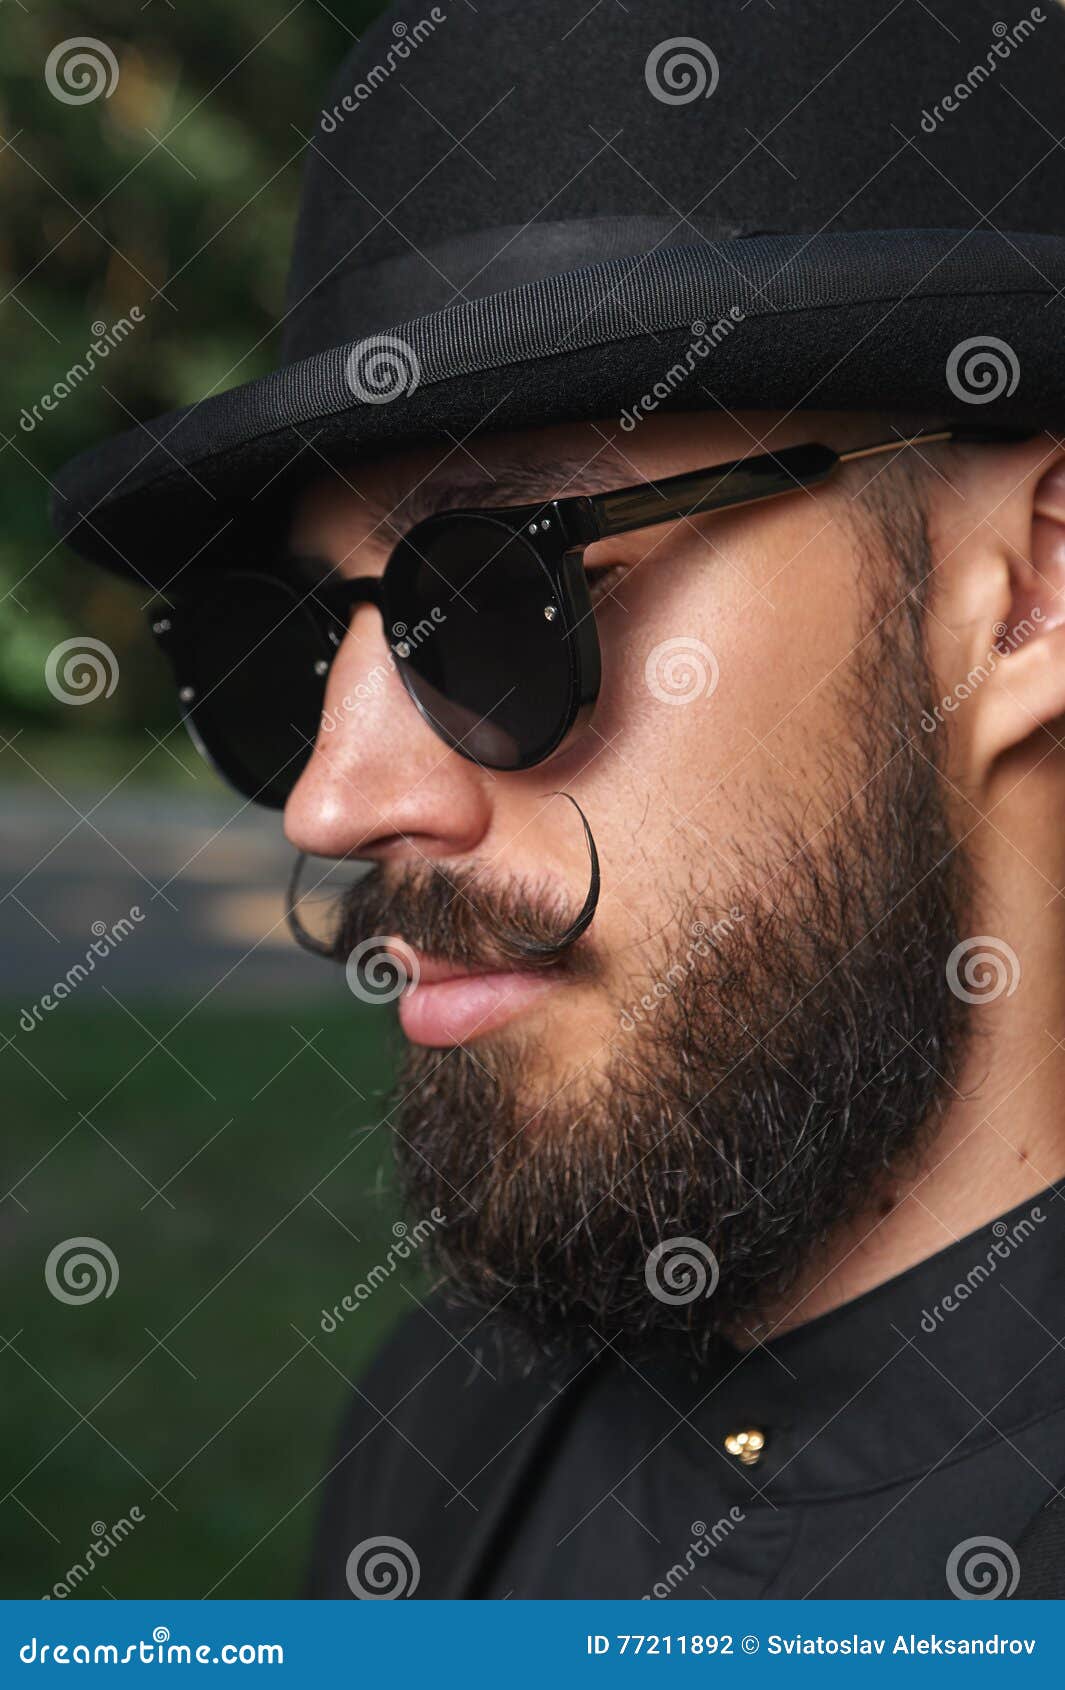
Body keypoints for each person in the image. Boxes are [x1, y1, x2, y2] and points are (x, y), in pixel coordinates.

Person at [52, 0, 1065, 1598]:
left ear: (1028, 591)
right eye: (311, 638)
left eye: (501, 596)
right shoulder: (442, 1426)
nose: (333, 797)